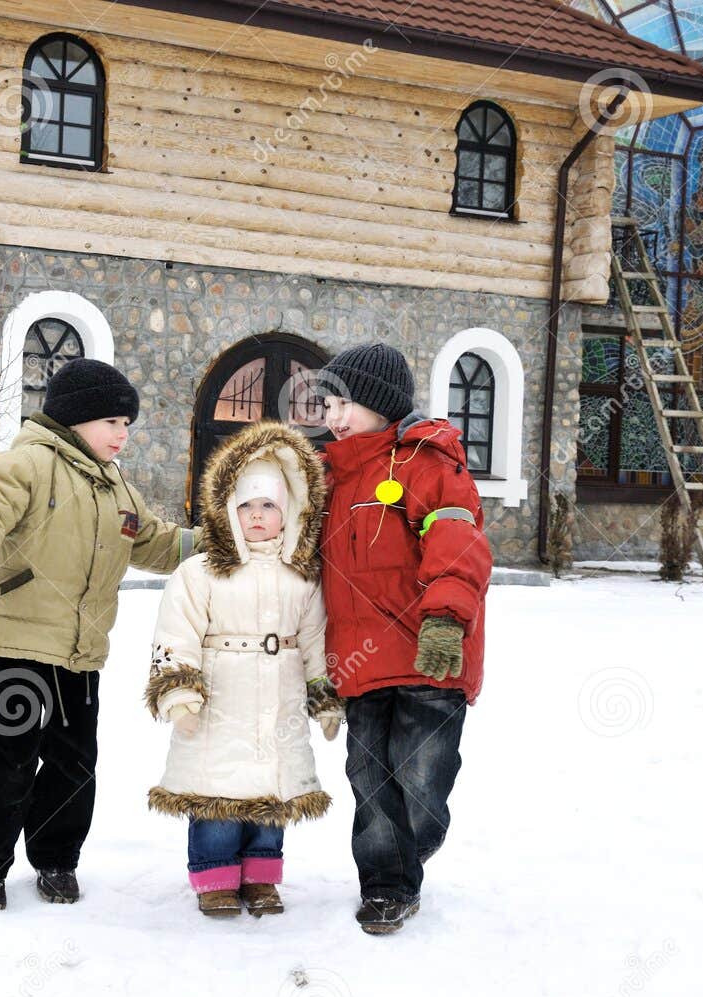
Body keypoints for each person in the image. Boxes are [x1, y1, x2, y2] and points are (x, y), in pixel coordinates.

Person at [0, 358, 197, 912]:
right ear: (76, 418)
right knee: (8, 756)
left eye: (127, 424)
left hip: (81, 650)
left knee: (74, 762)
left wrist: (215, 543)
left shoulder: (115, 486)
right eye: (112, 422)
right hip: (18, 643)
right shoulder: (26, 462)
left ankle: (56, 859)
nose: (123, 434)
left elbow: (155, 542)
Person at [316, 342, 492, 935]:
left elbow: (458, 544)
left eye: (345, 403)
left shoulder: (426, 462)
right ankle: (388, 884)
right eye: (327, 405)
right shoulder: (332, 478)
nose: (334, 417)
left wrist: (445, 618)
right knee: (369, 778)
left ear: (382, 403)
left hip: (429, 653)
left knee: (420, 778)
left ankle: (415, 840)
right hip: (360, 661)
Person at [144, 421, 343, 917]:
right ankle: (214, 876)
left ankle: (261, 876)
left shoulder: (303, 577)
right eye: (246, 505)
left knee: (271, 789)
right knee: (217, 787)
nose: (257, 515)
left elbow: (317, 638)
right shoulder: (200, 571)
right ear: (228, 509)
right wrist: (178, 693)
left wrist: (324, 697)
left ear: (290, 512)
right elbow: (176, 632)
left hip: (281, 698)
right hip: (219, 700)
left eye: (269, 506)